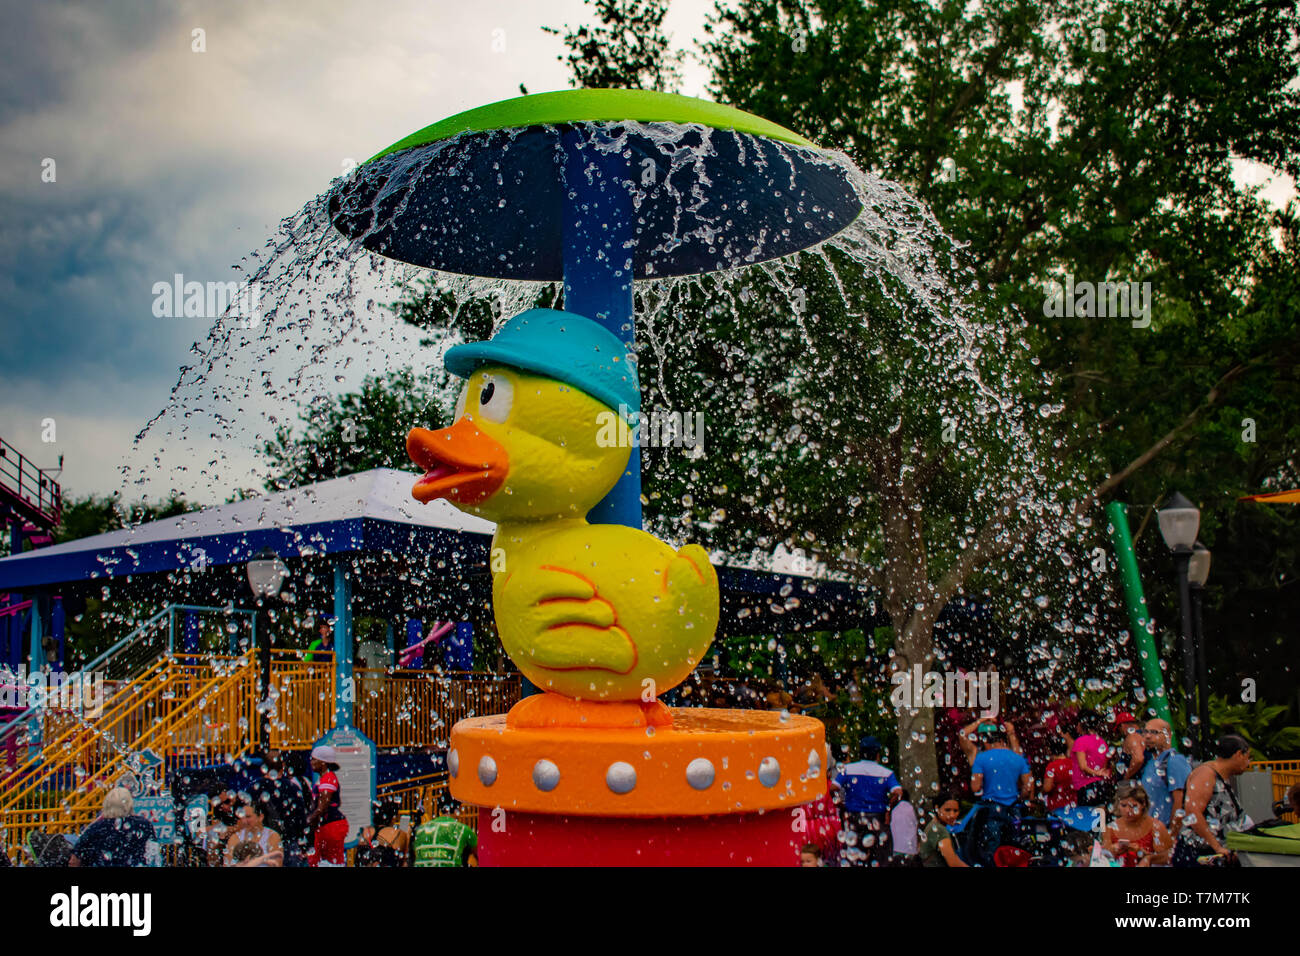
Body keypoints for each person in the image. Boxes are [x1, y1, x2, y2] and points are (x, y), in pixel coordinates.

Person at [1173, 734, 1252, 867]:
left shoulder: (1220, 776)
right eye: (1248, 757)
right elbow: (1192, 812)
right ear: (1239, 754)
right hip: (1198, 853)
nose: (1249, 763)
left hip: (1213, 852)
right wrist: (1217, 847)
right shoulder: (1206, 773)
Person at [833, 736, 903, 867]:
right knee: (882, 858)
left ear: (860, 753)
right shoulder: (886, 773)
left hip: (854, 819)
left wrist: (840, 805)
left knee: (853, 858)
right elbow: (898, 793)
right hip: (878, 820)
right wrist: (889, 809)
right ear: (878, 754)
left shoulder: (847, 769)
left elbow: (833, 788)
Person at [251, 749, 314, 866]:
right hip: (289, 843)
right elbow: (301, 820)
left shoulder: (253, 788)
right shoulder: (292, 788)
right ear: (283, 766)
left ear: (263, 767)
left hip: (262, 843)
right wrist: (305, 846)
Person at [1129, 719, 1192, 832]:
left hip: (1167, 833)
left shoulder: (1174, 761)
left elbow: (1180, 803)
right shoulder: (1151, 763)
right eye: (1145, 732)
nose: (1147, 736)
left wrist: (1171, 837)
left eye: (1154, 732)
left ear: (1168, 735)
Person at [69, 787, 156, 867]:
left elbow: (75, 860)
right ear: (129, 804)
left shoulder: (96, 828)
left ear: (106, 804)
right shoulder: (143, 825)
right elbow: (154, 853)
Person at [1102, 782, 1171, 867]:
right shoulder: (1110, 828)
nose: (1128, 811)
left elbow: (1167, 858)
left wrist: (1142, 853)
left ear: (1143, 805)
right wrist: (1111, 851)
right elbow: (1103, 860)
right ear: (1118, 805)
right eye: (1123, 805)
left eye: (1133, 806)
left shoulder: (1156, 827)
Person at [306, 745, 348, 866]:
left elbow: (322, 807)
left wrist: (308, 820)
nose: (311, 762)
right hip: (327, 826)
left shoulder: (328, 779)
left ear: (323, 763)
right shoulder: (326, 778)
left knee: (332, 863)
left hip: (331, 827)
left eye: (314, 759)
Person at [413, 796, 477, 867]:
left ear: (440, 811)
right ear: (457, 811)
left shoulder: (421, 829)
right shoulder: (463, 829)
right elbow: (480, 854)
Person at [224, 798, 282, 867]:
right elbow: (226, 865)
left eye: (248, 817)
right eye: (242, 816)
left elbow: (277, 864)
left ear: (260, 817)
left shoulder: (273, 837)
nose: (244, 821)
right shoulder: (234, 838)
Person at [1070, 712, 1112, 806]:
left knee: (1087, 817)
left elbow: (1083, 766)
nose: (1076, 726)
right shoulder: (1101, 741)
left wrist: (1096, 773)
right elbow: (1104, 766)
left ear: (1082, 724)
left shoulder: (1080, 741)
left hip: (1085, 786)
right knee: (1100, 818)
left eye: (1077, 724)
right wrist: (1100, 774)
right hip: (1101, 785)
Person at [918, 792, 968, 867]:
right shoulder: (939, 830)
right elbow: (953, 863)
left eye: (955, 811)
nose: (952, 815)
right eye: (947, 810)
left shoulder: (933, 825)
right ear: (937, 808)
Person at [356, 801, 409, 867]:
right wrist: (405, 823)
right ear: (393, 818)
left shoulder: (368, 831)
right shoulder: (394, 832)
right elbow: (402, 851)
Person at [1041, 735, 1077, 813]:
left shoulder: (1052, 766)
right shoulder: (1073, 764)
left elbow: (1047, 788)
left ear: (1050, 750)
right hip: (1072, 806)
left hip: (1056, 807)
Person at [890, 788, 920, 864]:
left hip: (897, 848)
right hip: (911, 849)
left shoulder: (894, 809)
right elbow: (916, 824)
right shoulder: (910, 808)